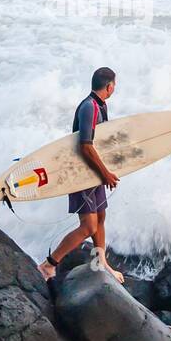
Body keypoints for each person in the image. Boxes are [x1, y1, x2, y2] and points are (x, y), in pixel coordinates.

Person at [38, 67, 123, 283]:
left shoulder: (100, 106)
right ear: (109, 86)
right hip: (81, 174)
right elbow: (85, 146)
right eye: (115, 84)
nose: (115, 88)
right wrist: (106, 173)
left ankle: (100, 263)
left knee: (101, 217)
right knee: (88, 226)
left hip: (93, 172)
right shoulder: (89, 107)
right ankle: (49, 265)